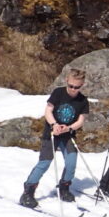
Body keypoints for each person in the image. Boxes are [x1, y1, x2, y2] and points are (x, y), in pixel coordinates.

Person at [20, 69, 89, 208]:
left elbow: (81, 121)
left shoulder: (83, 101)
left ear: (82, 85)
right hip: (51, 133)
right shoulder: (58, 93)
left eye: (77, 87)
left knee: (71, 162)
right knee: (44, 163)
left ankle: (64, 187)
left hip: (67, 135)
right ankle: (28, 191)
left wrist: (69, 128)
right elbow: (48, 111)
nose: (73, 89)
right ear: (67, 81)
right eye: (71, 86)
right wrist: (54, 124)